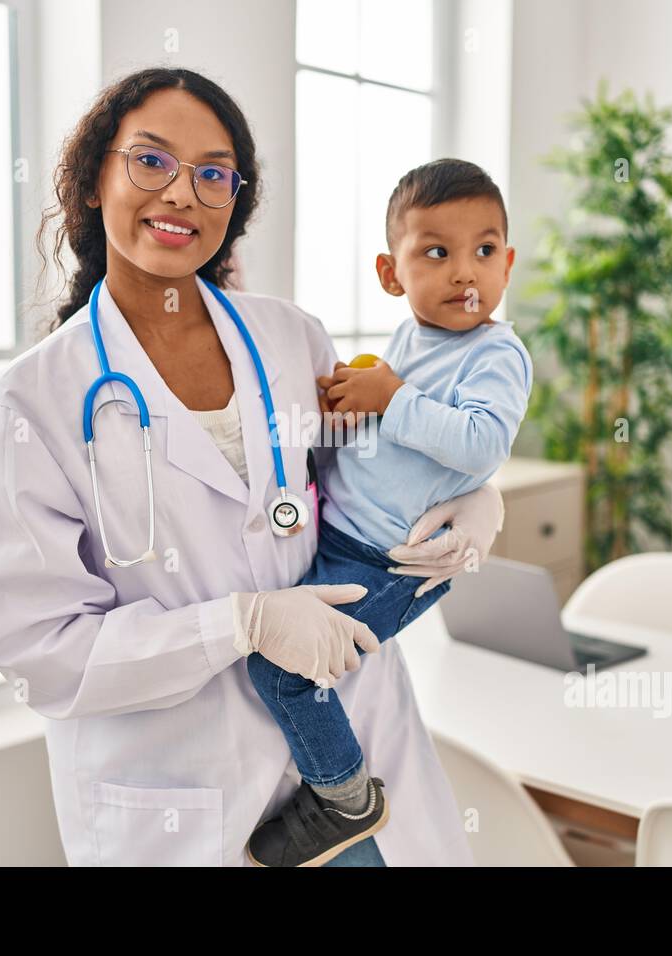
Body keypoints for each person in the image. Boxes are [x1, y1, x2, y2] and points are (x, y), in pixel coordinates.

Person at [0, 67, 504, 866]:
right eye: (150, 162)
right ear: (91, 182)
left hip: (357, 765)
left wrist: (478, 492)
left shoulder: (291, 339)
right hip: (187, 799)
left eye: (213, 174)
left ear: (234, 203)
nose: (181, 193)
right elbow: (37, 649)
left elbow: (371, 471)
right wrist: (240, 625)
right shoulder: (30, 403)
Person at [244, 159, 533, 867]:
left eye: (485, 250)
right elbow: (385, 443)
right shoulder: (406, 343)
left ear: (509, 262)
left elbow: (481, 442)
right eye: (437, 252)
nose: (466, 271)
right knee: (286, 664)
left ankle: (344, 798)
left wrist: (390, 399)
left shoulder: (497, 353)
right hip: (345, 539)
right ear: (389, 271)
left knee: (284, 672)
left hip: (389, 564)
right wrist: (344, 413)